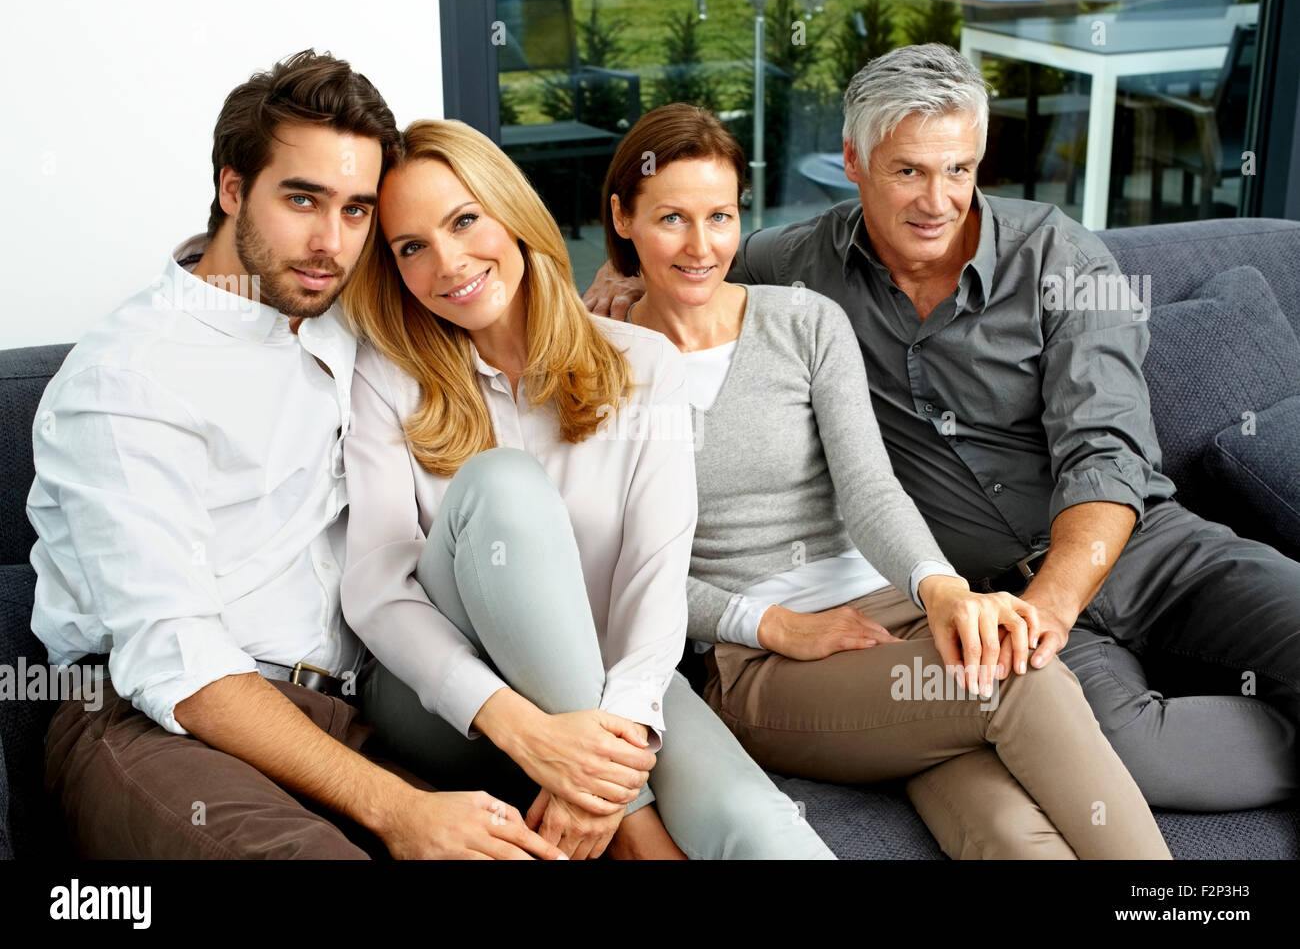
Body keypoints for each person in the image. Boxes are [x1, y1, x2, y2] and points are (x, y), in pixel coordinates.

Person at [586, 45, 1300, 811]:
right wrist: (624, 274)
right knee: (1124, 755)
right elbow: (698, 260)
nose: (938, 200)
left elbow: (1107, 452)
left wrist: (1048, 611)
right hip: (978, 597)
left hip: (1145, 551)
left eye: (958, 169)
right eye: (908, 172)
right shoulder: (796, 268)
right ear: (855, 162)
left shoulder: (1059, 260)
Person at [30, 50, 562, 860]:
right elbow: (176, 657)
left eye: (355, 211)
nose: (329, 243)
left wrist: (617, 291)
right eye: (302, 199)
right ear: (232, 189)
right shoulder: (127, 377)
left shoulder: (346, 319)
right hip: (156, 717)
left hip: (342, 713)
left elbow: (483, 297)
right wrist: (394, 809)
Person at [337, 117, 833, 860]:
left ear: (513, 209)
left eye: (465, 220)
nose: (448, 262)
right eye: (413, 247)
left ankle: (611, 792)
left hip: (611, 681)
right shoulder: (385, 378)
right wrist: (549, 747)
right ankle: (632, 833)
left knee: (762, 831)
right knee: (504, 485)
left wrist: (624, 722)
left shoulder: (645, 364)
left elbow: (655, 575)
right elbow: (377, 593)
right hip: (445, 707)